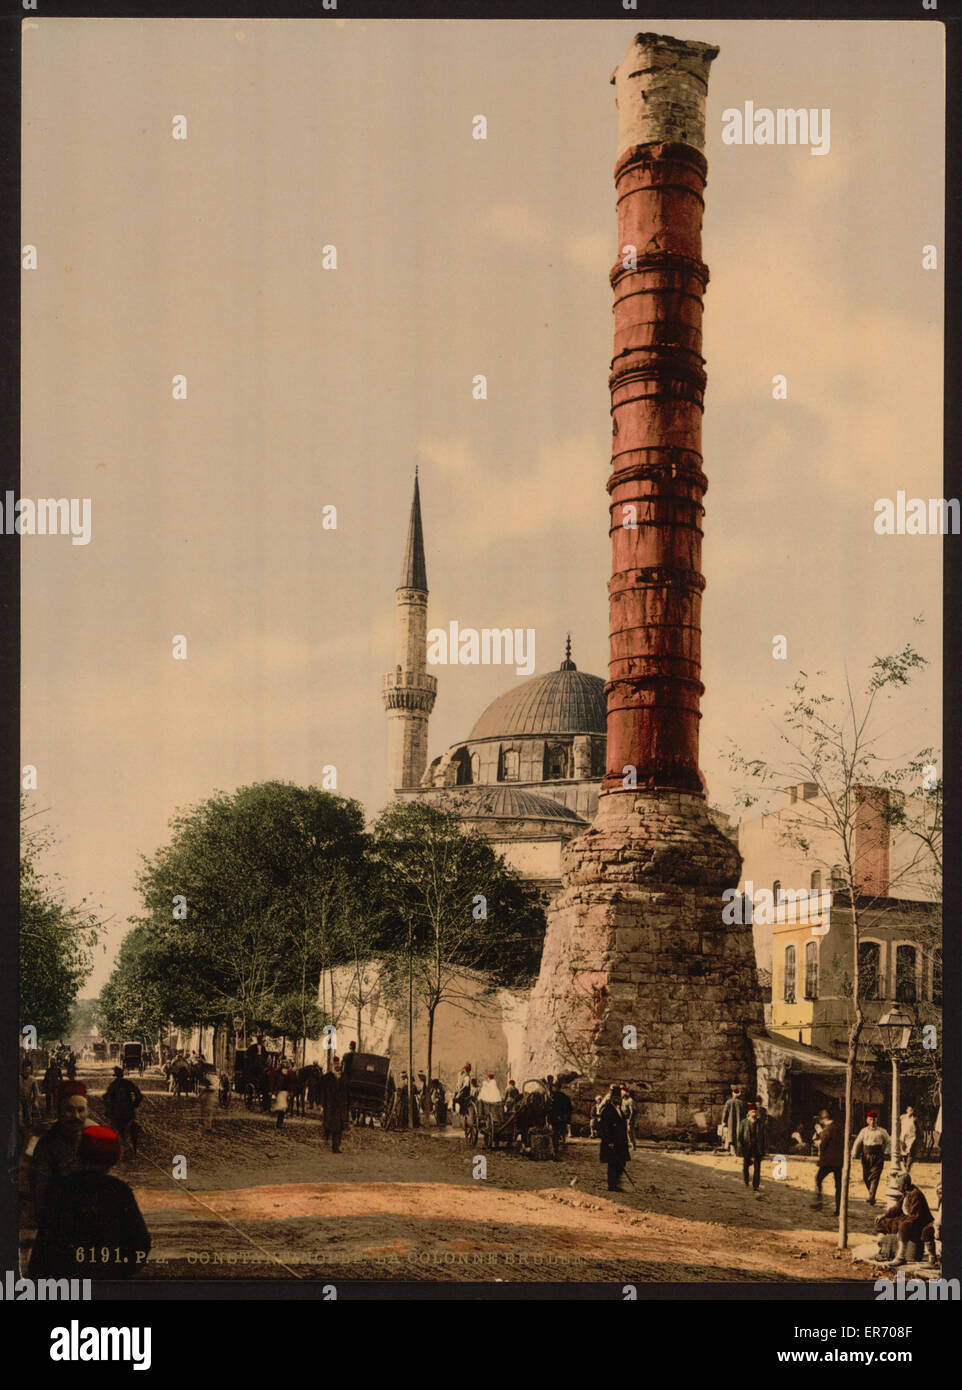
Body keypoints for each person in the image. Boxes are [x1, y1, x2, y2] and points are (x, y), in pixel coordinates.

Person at [28, 1126, 151, 1280]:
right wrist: (119, 1273)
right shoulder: (120, 1191)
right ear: (115, 1156)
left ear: (79, 1153)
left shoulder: (61, 1189)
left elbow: (45, 1242)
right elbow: (139, 1242)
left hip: (66, 1281)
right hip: (108, 1279)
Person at [30, 1083, 91, 1226]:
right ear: (58, 1112)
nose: (76, 1116)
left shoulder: (93, 1139)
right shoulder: (47, 1146)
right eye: (69, 1110)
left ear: (88, 1112)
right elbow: (40, 1192)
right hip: (60, 1221)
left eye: (81, 1110)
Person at [874, 1172, 933, 1267]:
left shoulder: (916, 1194)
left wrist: (902, 1222)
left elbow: (916, 1216)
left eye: (899, 1185)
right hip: (909, 1219)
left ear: (905, 1185)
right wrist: (884, 1215)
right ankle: (882, 1250)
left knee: (904, 1226)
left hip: (920, 1223)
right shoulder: (906, 1193)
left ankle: (900, 1257)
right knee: (883, 1222)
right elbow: (897, 1208)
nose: (897, 1187)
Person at [103, 1066, 143, 1158]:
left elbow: (106, 1098)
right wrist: (134, 1105)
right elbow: (139, 1095)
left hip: (117, 1114)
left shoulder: (113, 1085)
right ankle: (132, 1149)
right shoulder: (128, 1083)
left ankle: (121, 1150)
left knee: (118, 1131)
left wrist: (109, 1108)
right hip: (128, 1112)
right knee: (130, 1130)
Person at [852, 1111, 890, 1205]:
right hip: (866, 1156)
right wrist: (854, 1153)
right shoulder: (864, 1131)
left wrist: (886, 1152)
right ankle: (871, 1193)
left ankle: (871, 1197)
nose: (872, 1121)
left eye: (874, 1119)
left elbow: (889, 1142)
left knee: (875, 1177)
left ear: (877, 1120)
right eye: (870, 1119)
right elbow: (858, 1142)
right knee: (866, 1177)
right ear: (867, 1120)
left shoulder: (882, 1131)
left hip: (878, 1156)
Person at [811, 1108, 843, 1215]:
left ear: (823, 1119)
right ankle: (839, 1209)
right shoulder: (839, 1127)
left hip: (828, 1161)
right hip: (839, 1161)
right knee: (838, 1186)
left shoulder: (827, 1129)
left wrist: (819, 1134)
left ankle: (819, 1202)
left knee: (818, 1179)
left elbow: (822, 1144)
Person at [599, 1084, 630, 1192]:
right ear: (612, 1098)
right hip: (612, 1142)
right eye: (616, 1098)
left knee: (620, 1162)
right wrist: (610, 1141)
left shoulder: (619, 1109)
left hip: (620, 1142)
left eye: (619, 1098)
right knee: (613, 1164)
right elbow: (605, 1128)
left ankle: (616, 1183)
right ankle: (612, 1185)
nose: (618, 1099)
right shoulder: (607, 1110)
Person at [737, 1103, 767, 1195]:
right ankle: (746, 1180)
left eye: (755, 1112)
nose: (754, 1113)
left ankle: (756, 1185)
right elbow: (740, 1136)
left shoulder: (760, 1123)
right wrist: (740, 1147)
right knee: (746, 1165)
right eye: (752, 1112)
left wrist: (765, 1148)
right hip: (747, 1146)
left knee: (757, 1166)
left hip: (757, 1147)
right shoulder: (744, 1122)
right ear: (749, 1112)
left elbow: (764, 1137)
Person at [319, 1069, 349, 1152]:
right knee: (331, 1125)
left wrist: (347, 1104)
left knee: (339, 1127)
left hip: (340, 1106)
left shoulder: (345, 1078)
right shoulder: (327, 1078)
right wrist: (322, 1104)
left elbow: (347, 1092)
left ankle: (336, 1147)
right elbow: (323, 1092)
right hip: (331, 1105)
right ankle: (332, 1143)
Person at [547, 1080, 573, 1159]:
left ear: (557, 1087)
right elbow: (569, 1108)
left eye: (555, 1087)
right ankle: (559, 1144)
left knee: (555, 1132)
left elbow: (550, 1108)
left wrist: (550, 1118)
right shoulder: (565, 1096)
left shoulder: (553, 1096)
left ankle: (556, 1148)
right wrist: (566, 1116)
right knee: (560, 1131)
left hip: (555, 1117)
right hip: (561, 1118)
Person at [721, 1084, 745, 1155]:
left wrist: (724, 1121)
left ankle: (733, 1151)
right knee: (738, 1135)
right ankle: (739, 1151)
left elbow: (725, 1113)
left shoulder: (728, 1102)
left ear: (733, 1094)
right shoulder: (742, 1103)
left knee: (731, 1136)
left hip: (731, 1122)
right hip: (740, 1122)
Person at [898, 1105, 921, 1173]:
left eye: (912, 1110)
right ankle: (905, 1168)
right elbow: (898, 1126)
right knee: (903, 1153)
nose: (911, 1112)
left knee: (910, 1153)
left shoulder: (915, 1119)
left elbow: (918, 1129)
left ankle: (907, 1168)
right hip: (903, 1137)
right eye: (910, 1110)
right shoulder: (902, 1117)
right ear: (907, 1110)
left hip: (911, 1138)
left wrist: (918, 1138)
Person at [621, 1086, 637, 1151]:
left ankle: (633, 1145)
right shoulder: (623, 1100)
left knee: (629, 1131)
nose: (622, 1094)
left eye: (623, 1093)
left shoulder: (630, 1100)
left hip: (629, 1118)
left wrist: (630, 1119)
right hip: (624, 1118)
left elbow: (632, 1111)